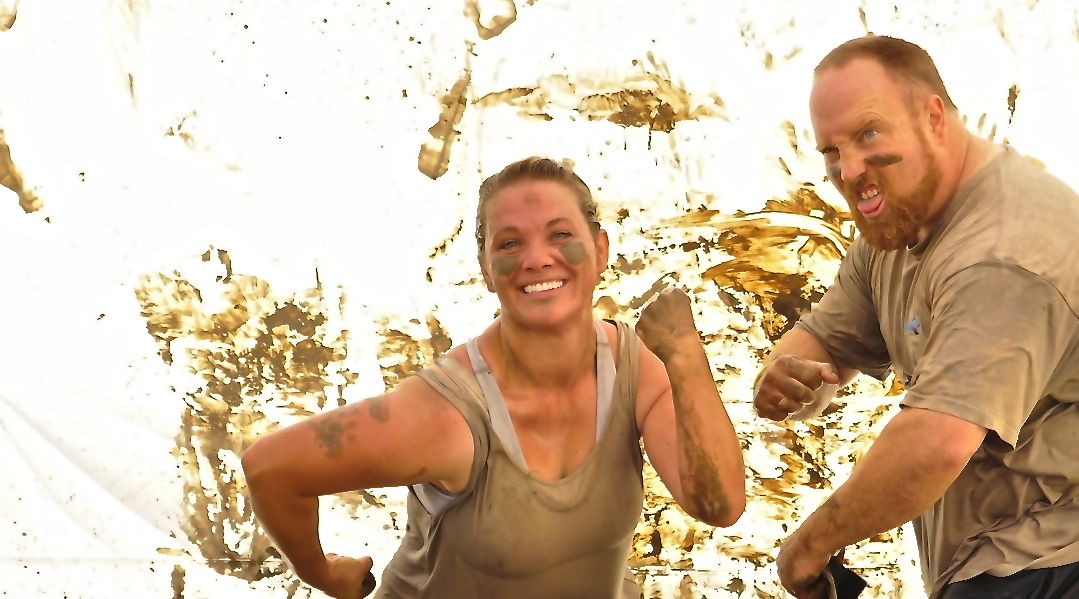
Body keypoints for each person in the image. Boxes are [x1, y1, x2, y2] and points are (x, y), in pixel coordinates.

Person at [754, 36, 1079, 598]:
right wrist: (786, 376)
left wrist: (808, 549)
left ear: (932, 117)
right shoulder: (897, 223)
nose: (849, 169)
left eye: (868, 134)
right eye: (831, 150)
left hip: (1070, 551)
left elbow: (937, 442)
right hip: (999, 557)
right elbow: (826, 344)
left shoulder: (1004, 254)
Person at [242, 156, 747, 598]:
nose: (535, 258)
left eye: (560, 235)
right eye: (509, 244)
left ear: (600, 249)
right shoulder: (449, 415)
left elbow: (718, 506)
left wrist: (684, 357)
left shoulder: (631, 366)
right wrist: (325, 575)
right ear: (486, 269)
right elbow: (272, 469)